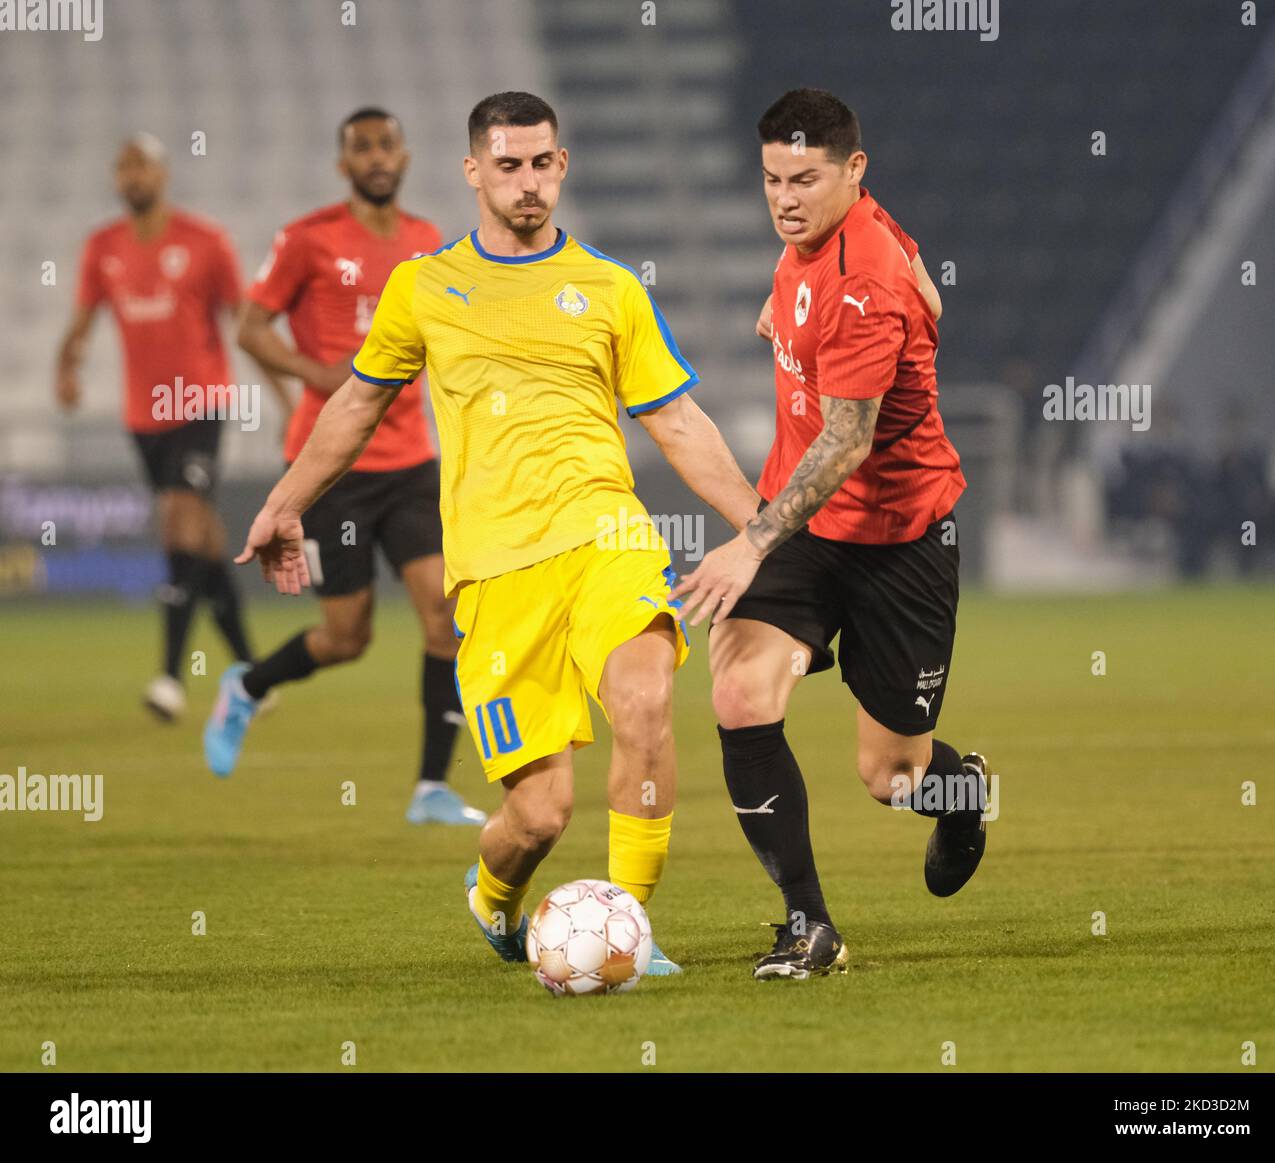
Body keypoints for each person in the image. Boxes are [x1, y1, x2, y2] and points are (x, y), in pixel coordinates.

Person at [234, 91, 759, 975]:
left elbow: (678, 422)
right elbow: (357, 404)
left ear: (563, 166)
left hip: (608, 538)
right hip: (492, 571)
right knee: (539, 816)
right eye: (508, 164)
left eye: (543, 162)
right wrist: (286, 499)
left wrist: (764, 526)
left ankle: (627, 922)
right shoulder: (425, 287)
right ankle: (494, 897)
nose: (528, 181)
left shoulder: (609, 287)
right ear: (474, 170)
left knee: (645, 699)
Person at [673, 88, 990, 980]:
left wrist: (750, 539)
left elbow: (848, 439)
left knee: (890, 776)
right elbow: (912, 282)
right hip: (809, 528)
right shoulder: (829, 234)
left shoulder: (866, 279)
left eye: (804, 179)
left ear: (854, 171)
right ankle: (809, 923)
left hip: (899, 539)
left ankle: (962, 796)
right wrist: (786, 316)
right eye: (772, 178)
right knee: (739, 691)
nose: (784, 197)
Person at [201, 108, 483, 827]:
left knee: (446, 617)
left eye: (387, 144)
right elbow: (251, 327)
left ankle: (430, 788)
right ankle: (248, 684)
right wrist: (312, 375)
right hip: (332, 466)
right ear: (343, 163)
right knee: (346, 636)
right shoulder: (308, 239)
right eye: (362, 147)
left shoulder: (428, 244)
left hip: (412, 462)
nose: (377, 157)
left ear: (406, 156)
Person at [55, 134, 282, 721]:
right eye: (124, 166)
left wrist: (285, 395)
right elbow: (82, 320)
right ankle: (255, 678)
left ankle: (169, 680)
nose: (134, 176)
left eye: (143, 166)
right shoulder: (102, 247)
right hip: (143, 419)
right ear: (117, 178)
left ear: (163, 174)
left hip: (199, 405)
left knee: (179, 523)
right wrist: (67, 367)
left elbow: (246, 322)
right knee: (200, 541)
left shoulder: (206, 242)